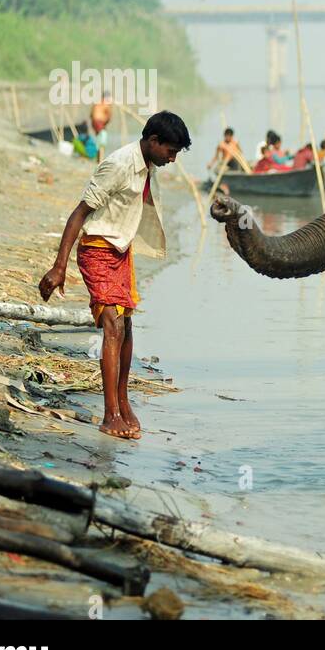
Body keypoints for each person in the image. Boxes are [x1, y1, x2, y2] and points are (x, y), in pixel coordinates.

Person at [37, 112, 191, 441]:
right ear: (154, 142)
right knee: (113, 324)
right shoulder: (119, 164)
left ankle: (122, 401)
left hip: (121, 251)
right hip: (96, 248)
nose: (172, 158)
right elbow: (80, 212)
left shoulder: (148, 165)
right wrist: (59, 266)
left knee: (128, 325)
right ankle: (109, 415)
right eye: (171, 151)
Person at [89, 92, 113, 161]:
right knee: (102, 141)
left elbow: (91, 115)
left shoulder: (97, 103)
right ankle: (100, 159)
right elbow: (108, 117)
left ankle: (98, 158)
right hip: (99, 123)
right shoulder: (105, 105)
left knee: (99, 139)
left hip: (95, 123)